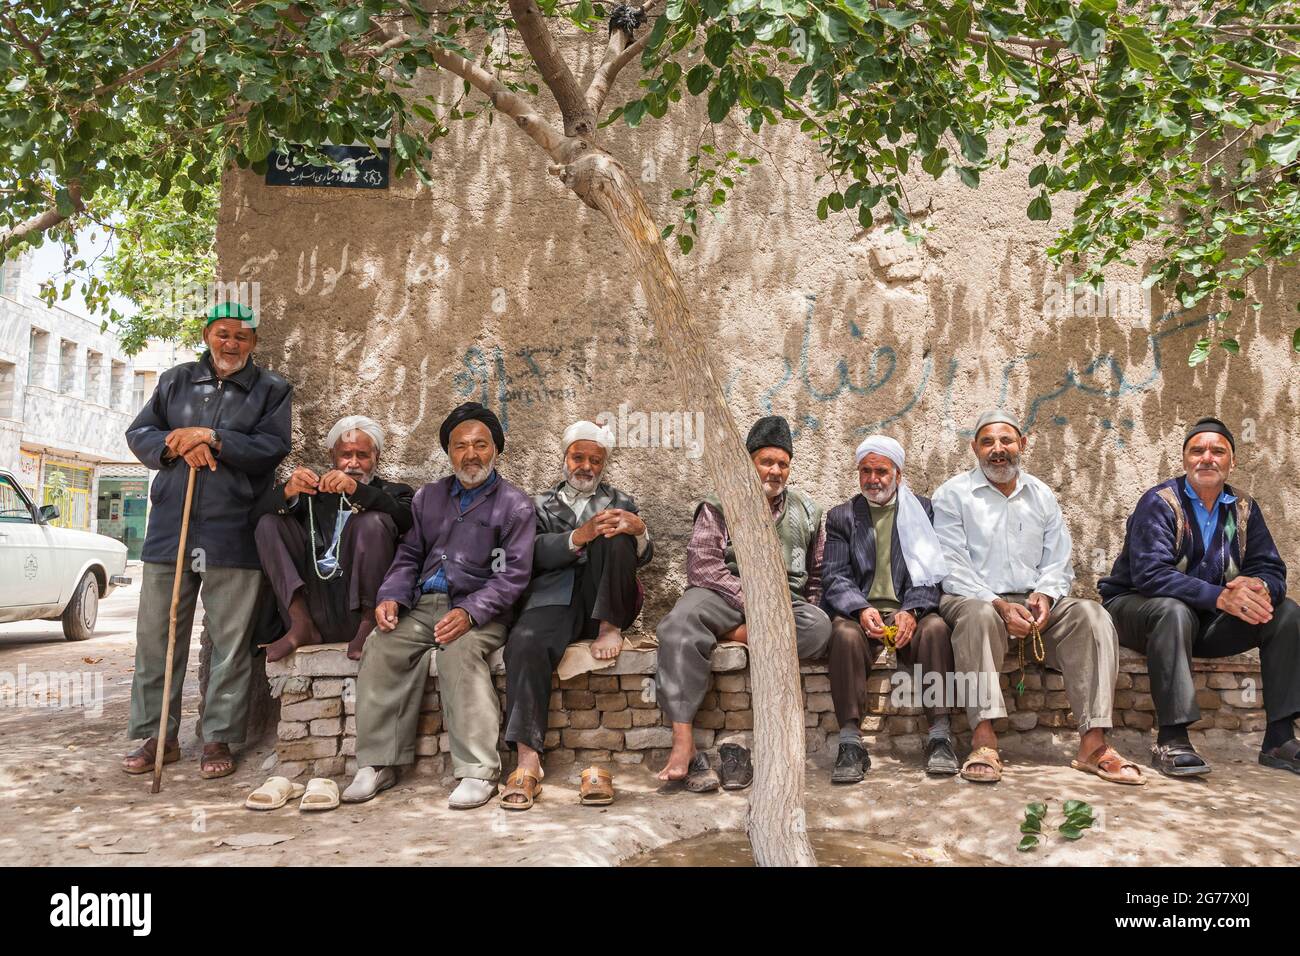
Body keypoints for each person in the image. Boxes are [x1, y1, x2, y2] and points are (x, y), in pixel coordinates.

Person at [122, 301, 291, 779]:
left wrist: (213, 438)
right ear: (207, 335)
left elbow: (271, 447)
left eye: (241, 336)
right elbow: (141, 433)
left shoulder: (272, 389)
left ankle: (218, 736)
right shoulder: (176, 380)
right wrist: (176, 442)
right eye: (223, 334)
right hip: (170, 530)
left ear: (254, 343)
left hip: (234, 529)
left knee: (230, 642)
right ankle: (159, 736)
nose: (231, 343)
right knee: (157, 637)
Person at [932, 410, 1144, 785]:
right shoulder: (953, 494)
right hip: (973, 597)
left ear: (1023, 444)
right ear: (974, 449)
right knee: (979, 616)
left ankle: (1093, 744)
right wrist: (997, 603)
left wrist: (1045, 594)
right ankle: (984, 738)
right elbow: (951, 566)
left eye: (1006, 441)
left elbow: (1058, 557)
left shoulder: (1041, 494)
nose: (998, 450)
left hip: (1033, 601)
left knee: (1092, 616)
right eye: (987, 442)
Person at [341, 403, 535, 810]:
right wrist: (390, 596)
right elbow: (409, 556)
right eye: (460, 445)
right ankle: (378, 763)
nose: (471, 454)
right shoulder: (428, 498)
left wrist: (470, 613)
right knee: (381, 645)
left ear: (496, 450)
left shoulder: (514, 505)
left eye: (480, 445)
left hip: (479, 610)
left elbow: (512, 576)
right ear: (448, 452)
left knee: (459, 653)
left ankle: (477, 771)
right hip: (421, 605)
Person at [1101, 416, 1300, 777]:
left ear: (1231, 461)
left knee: (1285, 613)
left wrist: (1258, 587)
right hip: (1137, 611)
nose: (1207, 458)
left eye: (1217, 451)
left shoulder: (1243, 508)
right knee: (1172, 610)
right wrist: (1221, 597)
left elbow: (1271, 568)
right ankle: (1172, 738)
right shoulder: (1159, 502)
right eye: (1197, 450)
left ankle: (1280, 739)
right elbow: (1150, 576)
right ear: (1185, 459)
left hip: (1198, 622)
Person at [655, 415, 831, 793]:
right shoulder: (720, 503)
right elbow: (702, 566)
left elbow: (815, 576)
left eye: (783, 464)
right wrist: (755, 603)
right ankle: (682, 739)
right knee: (679, 624)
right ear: (749, 462)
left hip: (785, 604)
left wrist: (787, 609)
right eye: (767, 461)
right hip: (723, 595)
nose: (775, 470)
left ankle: (735, 635)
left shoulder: (807, 510)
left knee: (819, 628)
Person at [499, 420, 653, 809]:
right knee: (523, 643)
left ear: (604, 465)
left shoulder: (621, 499)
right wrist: (576, 537)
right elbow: (526, 555)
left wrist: (639, 532)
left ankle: (609, 628)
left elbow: (644, 558)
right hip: (554, 599)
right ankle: (528, 759)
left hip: (608, 600)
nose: (586, 466)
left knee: (616, 534)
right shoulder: (536, 505)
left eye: (595, 460)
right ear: (565, 458)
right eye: (578, 457)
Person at [822, 434, 958, 781]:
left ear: (898, 473)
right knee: (844, 635)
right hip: (863, 611)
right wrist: (859, 608)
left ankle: (939, 735)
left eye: (881, 471)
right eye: (865, 471)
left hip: (910, 609)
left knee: (937, 630)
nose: (872, 479)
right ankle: (850, 742)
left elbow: (933, 574)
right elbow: (835, 576)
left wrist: (911, 611)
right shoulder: (843, 517)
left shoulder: (923, 510)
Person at [254, 415, 413, 663]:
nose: (352, 464)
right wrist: (286, 492)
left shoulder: (394, 492)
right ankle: (300, 623)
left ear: (376, 458)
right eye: (345, 455)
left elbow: (407, 518)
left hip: (362, 612)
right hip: (315, 606)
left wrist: (357, 491)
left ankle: (369, 624)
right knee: (268, 523)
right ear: (332, 457)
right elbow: (254, 519)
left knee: (371, 522)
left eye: (362, 455)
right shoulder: (311, 494)